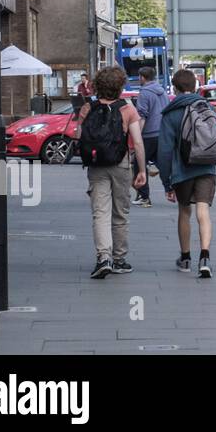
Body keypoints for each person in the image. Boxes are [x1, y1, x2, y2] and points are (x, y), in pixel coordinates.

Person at [158, 68, 216, 277]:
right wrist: (214, 157)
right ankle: (205, 258)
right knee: (203, 211)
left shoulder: (171, 113)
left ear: (174, 87)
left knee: (184, 211)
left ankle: (185, 258)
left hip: (182, 171)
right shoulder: (206, 106)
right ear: (195, 86)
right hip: (206, 168)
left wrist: (166, 182)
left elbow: (164, 151)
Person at [79, 65, 146, 279]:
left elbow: (79, 136)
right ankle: (119, 259)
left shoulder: (88, 108)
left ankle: (103, 257)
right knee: (120, 213)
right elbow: (137, 141)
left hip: (96, 165)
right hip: (121, 165)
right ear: (120, 86)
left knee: (100, 213)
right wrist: (142, 169)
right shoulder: (127, 109)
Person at [132, 66, 168, 207]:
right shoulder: (162, 92)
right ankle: (173, 189)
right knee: (163, 165)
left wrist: (137, 135)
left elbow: (142, 115)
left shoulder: (144, 93)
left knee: (138, 164)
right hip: (162, 133)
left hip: (148, 135)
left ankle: (144, 196)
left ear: (142, 77)